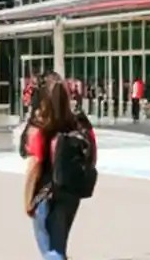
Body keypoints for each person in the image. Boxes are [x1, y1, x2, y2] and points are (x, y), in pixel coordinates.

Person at [24, 79, 97, 260]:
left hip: (46, 194)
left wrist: (27, 200)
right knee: (59, 245)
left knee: (50, 251)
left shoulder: (41, 126)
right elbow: (92, 155)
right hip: (70, 194)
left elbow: (35, 166)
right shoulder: (77, 124)